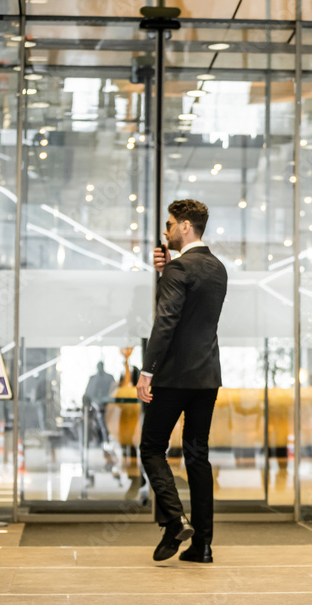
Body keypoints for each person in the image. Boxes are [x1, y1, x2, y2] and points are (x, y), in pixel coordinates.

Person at [138, 199, 228, 563]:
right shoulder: (217, 268)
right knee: (197, 456)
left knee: (151, 448)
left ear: (186, 226)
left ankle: (175, 521)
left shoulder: (179, 270)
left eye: (170, 224)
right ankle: (202, 545)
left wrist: (147, 371)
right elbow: (193, 315)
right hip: (206, 376)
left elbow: (167, 323)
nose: (166, 231)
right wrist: (166, 273)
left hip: (174, 376)